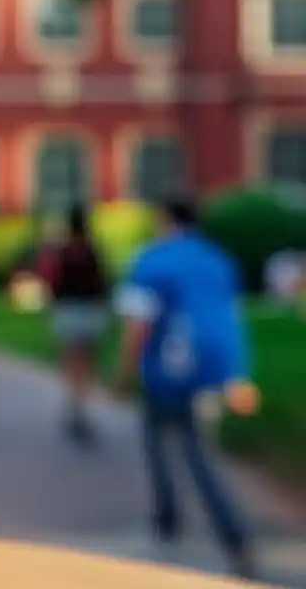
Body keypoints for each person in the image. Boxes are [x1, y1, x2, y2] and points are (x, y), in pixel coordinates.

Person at [115, 198, 260, 579]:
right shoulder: (218, 259)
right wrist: (238, 375)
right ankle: (226, 536)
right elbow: (229, 317)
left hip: (170, 368)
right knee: (197, 447)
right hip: (216, 369)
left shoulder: (152, 261)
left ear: (165, 220)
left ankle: (181, 522)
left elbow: (138, 324)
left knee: (167, 442)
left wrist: (124, 372)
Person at [39, 205, 108, 446]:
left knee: (71, 362)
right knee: (87, 363)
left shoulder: (61, 251)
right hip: (90, 312)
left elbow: (51, 282)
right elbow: (102, 284)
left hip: (68, 311)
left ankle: (74, 405)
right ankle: (83, 406)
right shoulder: (93, 250)